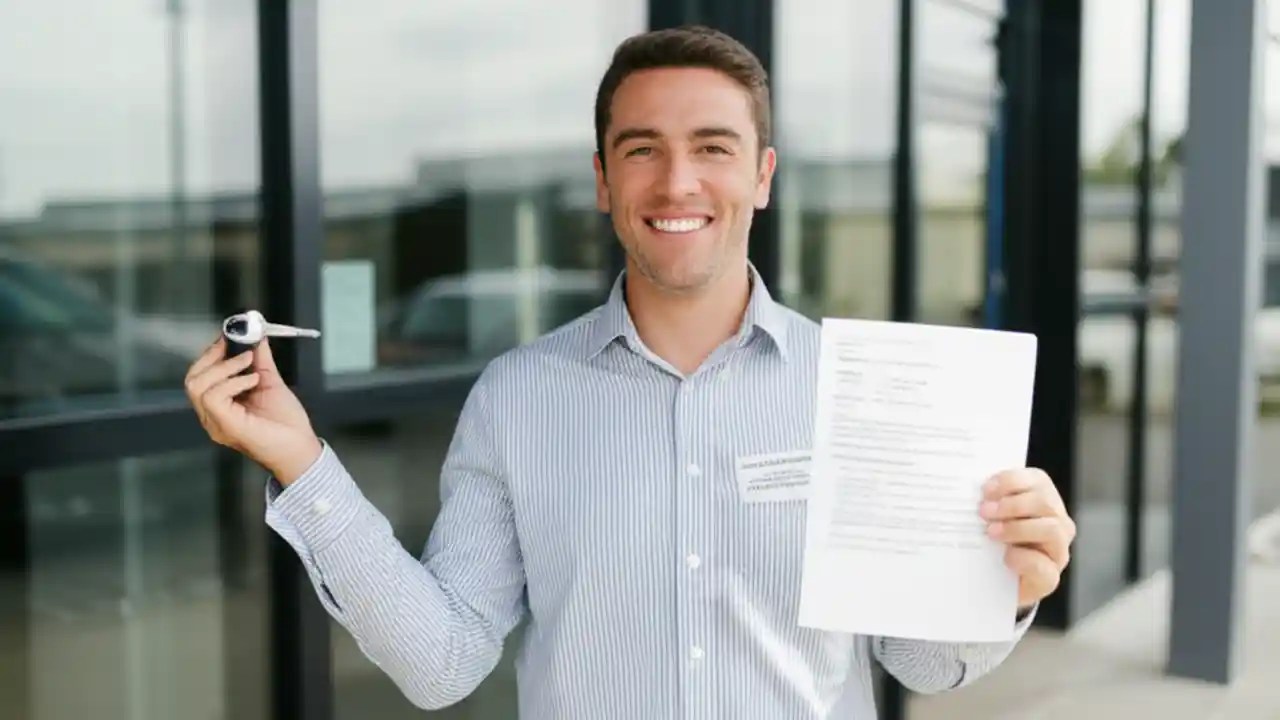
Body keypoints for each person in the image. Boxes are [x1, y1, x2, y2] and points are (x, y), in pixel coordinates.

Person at [184, 25, 1076, 719]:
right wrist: (301, 462)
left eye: (715, 148)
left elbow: (919, 660)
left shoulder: (858, 388)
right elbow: (443, 662)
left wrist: (1008, 589)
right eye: (643, 148)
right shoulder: (518, 397)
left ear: (762, 177)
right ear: (604, 179)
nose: (677, 181)